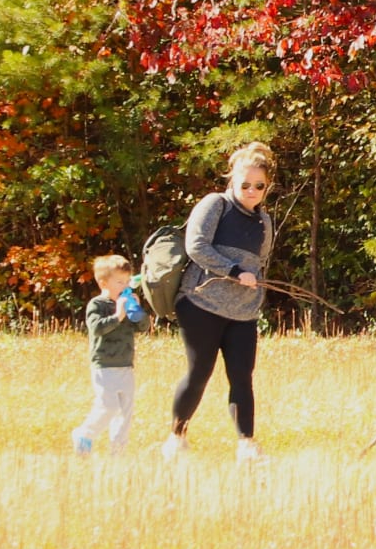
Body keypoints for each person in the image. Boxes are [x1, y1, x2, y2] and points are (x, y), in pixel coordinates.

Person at [164, 141, 278, 461]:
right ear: (232, 180)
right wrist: (232, 270)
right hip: (201, 303)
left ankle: (247, 444)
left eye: (259, 185)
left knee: (242, 375)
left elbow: (260, 261)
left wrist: (252, 283)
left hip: (242, 312)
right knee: (200, 371)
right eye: (245, 184)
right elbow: (196, 246)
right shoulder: (216, 204)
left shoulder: (264, 221)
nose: (252, 191)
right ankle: (176, 436)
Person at [69, 254, 146, 454]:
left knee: (125, 412)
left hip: (126, 364)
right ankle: (85, 434)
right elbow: (97, 328)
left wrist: (137, 310)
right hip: (104, 365)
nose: (125, 286)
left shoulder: (126, 303)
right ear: (103, 282)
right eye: (120, 282)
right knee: (108, 406)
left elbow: (143, 327)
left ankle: (118, 452)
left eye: (127, 281)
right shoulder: (97, 305)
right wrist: (118, 315)